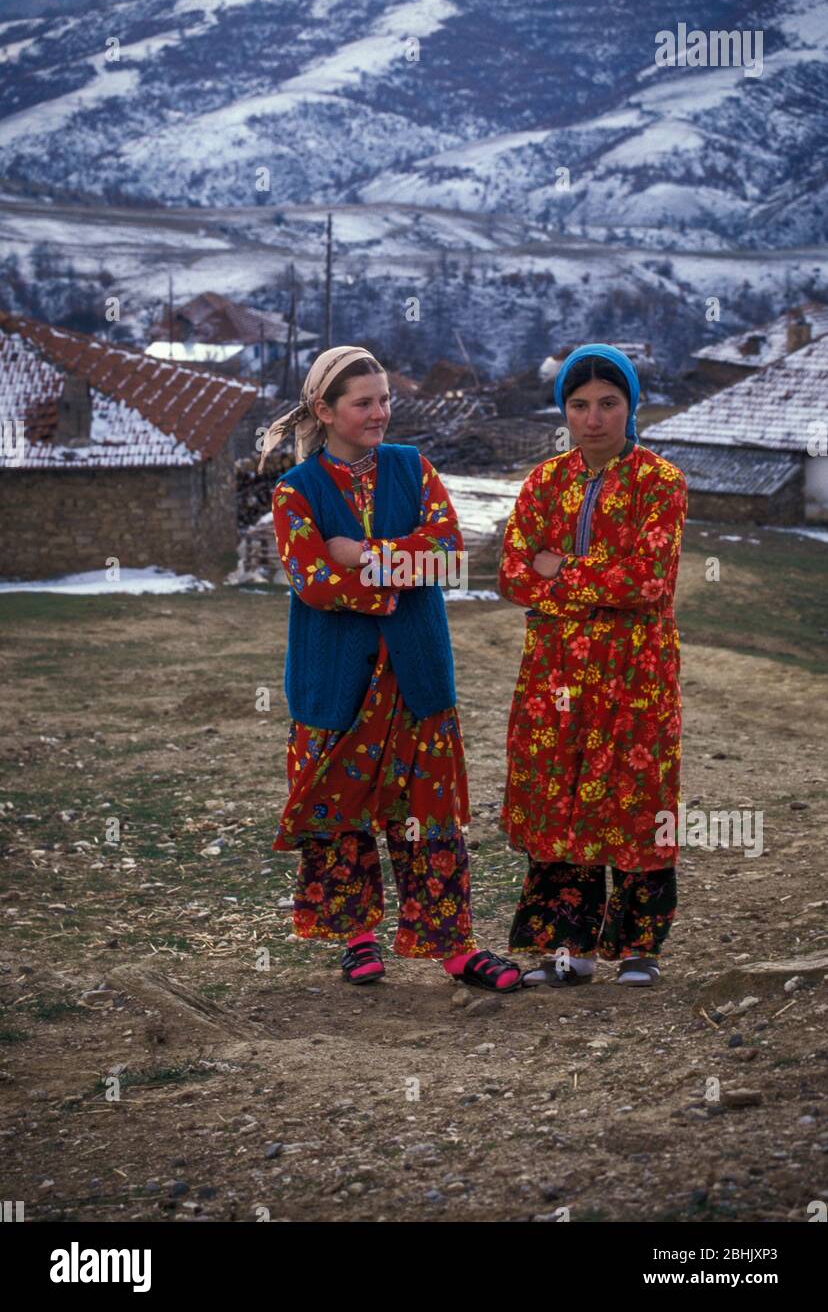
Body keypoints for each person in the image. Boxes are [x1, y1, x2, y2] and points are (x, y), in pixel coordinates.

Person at [258, 344, 522, 991]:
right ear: (324, 409)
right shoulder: (296, 492)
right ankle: (357, 940)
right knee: (340, 812)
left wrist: (362, 553)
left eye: (384, 399)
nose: (381, 412)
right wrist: (396, 574)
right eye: (364, 402)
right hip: (334, 682)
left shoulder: (414, 468)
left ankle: (454, 947)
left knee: (430, 817)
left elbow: (450, 558)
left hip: (417, 676)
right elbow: (312, 581)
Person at [497, 344, 688, 988]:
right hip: (555, 676)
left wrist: (563, 571)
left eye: (609, 403)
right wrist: (590, 580)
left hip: (636, 675)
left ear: (630, 407)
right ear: (565, 411)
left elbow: (648, 580)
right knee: (561, 796)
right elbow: (514, 575)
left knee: (635, 796)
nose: (594, 418)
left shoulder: (660, 482)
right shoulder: (543, 483)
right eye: (579, 405)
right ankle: (565, 947)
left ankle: (639, 947)